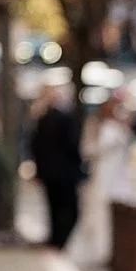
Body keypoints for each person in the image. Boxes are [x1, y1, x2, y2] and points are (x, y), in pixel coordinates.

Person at [27, 82, 86, 253]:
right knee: (70, 209)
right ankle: (60, 240)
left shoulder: (41, 119)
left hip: (49, 172)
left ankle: (56, 239)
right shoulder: (64, 118)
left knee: (54, 208)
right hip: (65, 172)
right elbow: (73, 145)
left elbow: (34, 146)